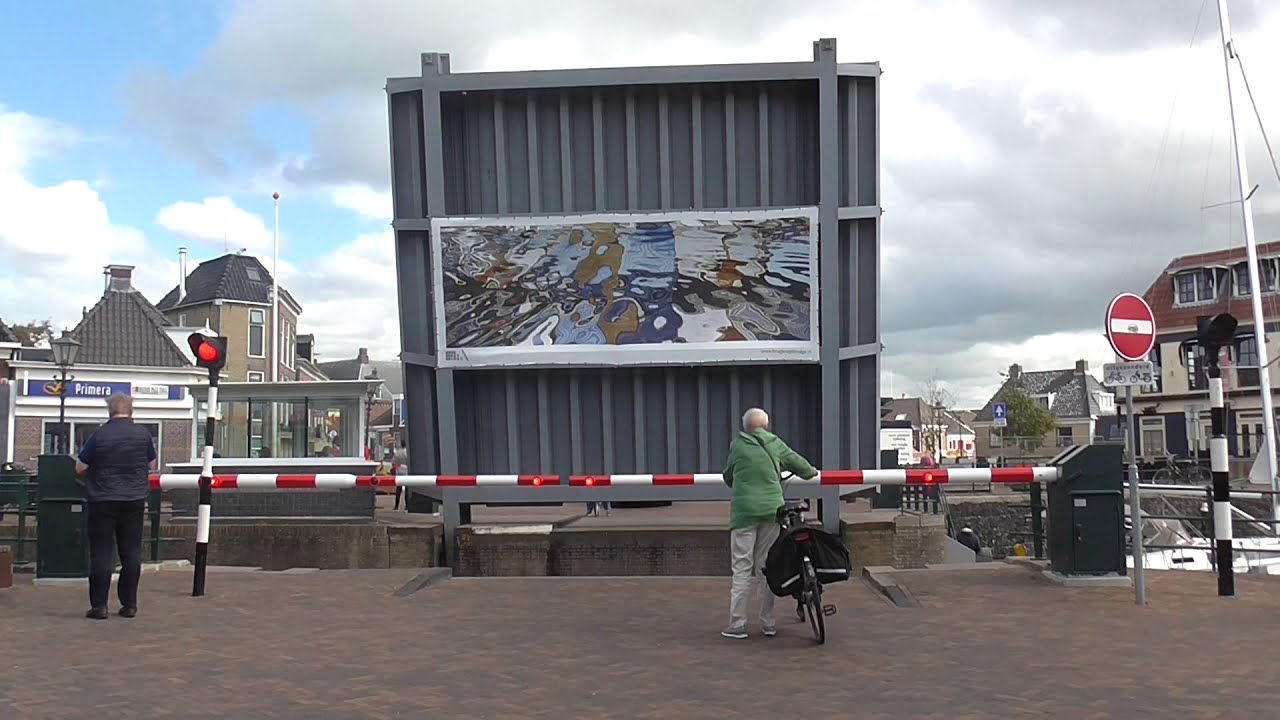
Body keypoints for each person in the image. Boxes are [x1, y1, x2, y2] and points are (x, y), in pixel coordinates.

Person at [720, 407, 817, 639]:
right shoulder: (774, 443)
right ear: (766, 425)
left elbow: (728, 477)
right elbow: (803, 468)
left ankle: (738, 624)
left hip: (744, 514)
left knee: (741, 569)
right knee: (765, 567)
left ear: (746, 427)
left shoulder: (737, 446)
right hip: (771, 512)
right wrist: (812, 471)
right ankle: (768, 623)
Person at [74, 393, 157, 620]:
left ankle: (99, 606)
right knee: (131, 551)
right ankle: (129, 604)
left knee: (101, 551)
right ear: (131, 411)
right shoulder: (143, 435)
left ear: (109, 411)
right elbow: (152, 464)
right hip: (134, 499)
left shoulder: (99, 435)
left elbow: (80, 468)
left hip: (102, 499)